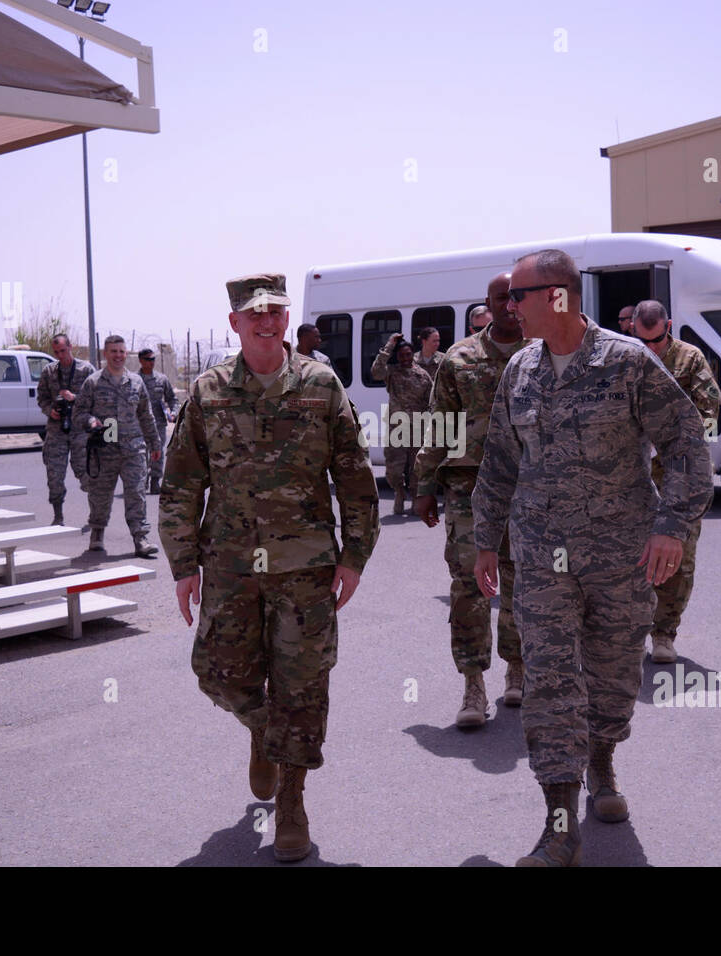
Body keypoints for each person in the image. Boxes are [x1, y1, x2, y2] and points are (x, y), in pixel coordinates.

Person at [472, 250, 712, 866]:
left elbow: (686, 442)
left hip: (619, 556)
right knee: (552, 681)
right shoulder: (519, 370)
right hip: (540, 556)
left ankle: (602, 760)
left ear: (556, 295)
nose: (507, 307)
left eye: (517, 296)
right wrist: (483, 541)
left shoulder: (628, 363)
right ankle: (560, 824)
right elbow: (499, 460)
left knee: (611, 676)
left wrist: (673, 527)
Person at [159, 272, 379, 863]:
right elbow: (181, 485)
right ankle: (264, 731)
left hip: (305, 567)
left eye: (275, 311)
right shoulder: (207, 393)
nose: (265, 321)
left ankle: (292, 800)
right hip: (230, 566)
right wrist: (184, 565)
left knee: (303, 681)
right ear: (234, 323)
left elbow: (355, 480)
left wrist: (355, 556)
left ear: (286, 318)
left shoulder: (320, 384)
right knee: (219, 673)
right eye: (253, 313)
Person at [413, 273, 528, 728]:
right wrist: (424, 483)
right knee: (469, 586)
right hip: (469, 490)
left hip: (529, 489)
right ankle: (473, 682)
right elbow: (439, 424)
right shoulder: (461, 358)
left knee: (524, 584)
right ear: (488, 302)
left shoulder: (543, 353)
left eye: (517, 297)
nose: (510, 305)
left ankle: (517, 669)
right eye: (502, 297)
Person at [619, 301, 721, 664]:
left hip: (677, 475)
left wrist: (686, 445)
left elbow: (711, 406)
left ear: (669, 327)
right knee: (629, 555)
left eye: (658, 340)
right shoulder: (622, 356)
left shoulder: (689, 358)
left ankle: (663, 634)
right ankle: (627, 630)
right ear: (631, 328)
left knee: (679, 559)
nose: (651, 349)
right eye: (642, 340)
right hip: (632, 475)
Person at [73, 335, 162, 557]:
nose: (118, 356)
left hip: (133, 449)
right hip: (104, 451)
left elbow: (146, 415)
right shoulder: (93, 383)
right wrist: (90, 420)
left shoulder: (136, 382)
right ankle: (97, 534)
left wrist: (155, 443)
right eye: (114, 351)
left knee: (137, 494)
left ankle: (140, 538)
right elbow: (78, 413)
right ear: (106, 354)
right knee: (100, 495)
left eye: (122, 351)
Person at [35, 334, 95, 526]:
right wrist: (49, 411)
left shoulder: (86, 370)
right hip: (56, 430)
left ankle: (96, 513)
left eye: (63, 350)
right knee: (54, 475)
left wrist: (74, 398)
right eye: (57, 352)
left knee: (86, 473)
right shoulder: (49, 372)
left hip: (79, 431)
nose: (61, 355)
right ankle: (58, 516)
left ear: (71, 346)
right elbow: (41, 398)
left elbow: (97, 398)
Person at [370, 334, 433, 515]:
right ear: (397, 357)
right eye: (401, 355)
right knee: (393, 470)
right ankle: (399, 493)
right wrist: (389, 345)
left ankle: (414, 496)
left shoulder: (423, 376)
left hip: (418, 430)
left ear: (413, 354)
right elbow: (376, 371)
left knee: (416, 468)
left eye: (408, 355)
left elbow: (432, 402)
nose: (405, 359)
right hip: (396, 429)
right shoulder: (391, 372)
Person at [138, 347, 178, 495]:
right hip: (140, 423)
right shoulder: (135, 380)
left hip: (158, 423)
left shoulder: (162, 379)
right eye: (148, 360)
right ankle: (142, 481)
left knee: (157, 452)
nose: (151, 362)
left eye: (153, 359)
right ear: (141, 361)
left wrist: (173, 412)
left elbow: (172, 399)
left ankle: (155, 480)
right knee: (141, 453)